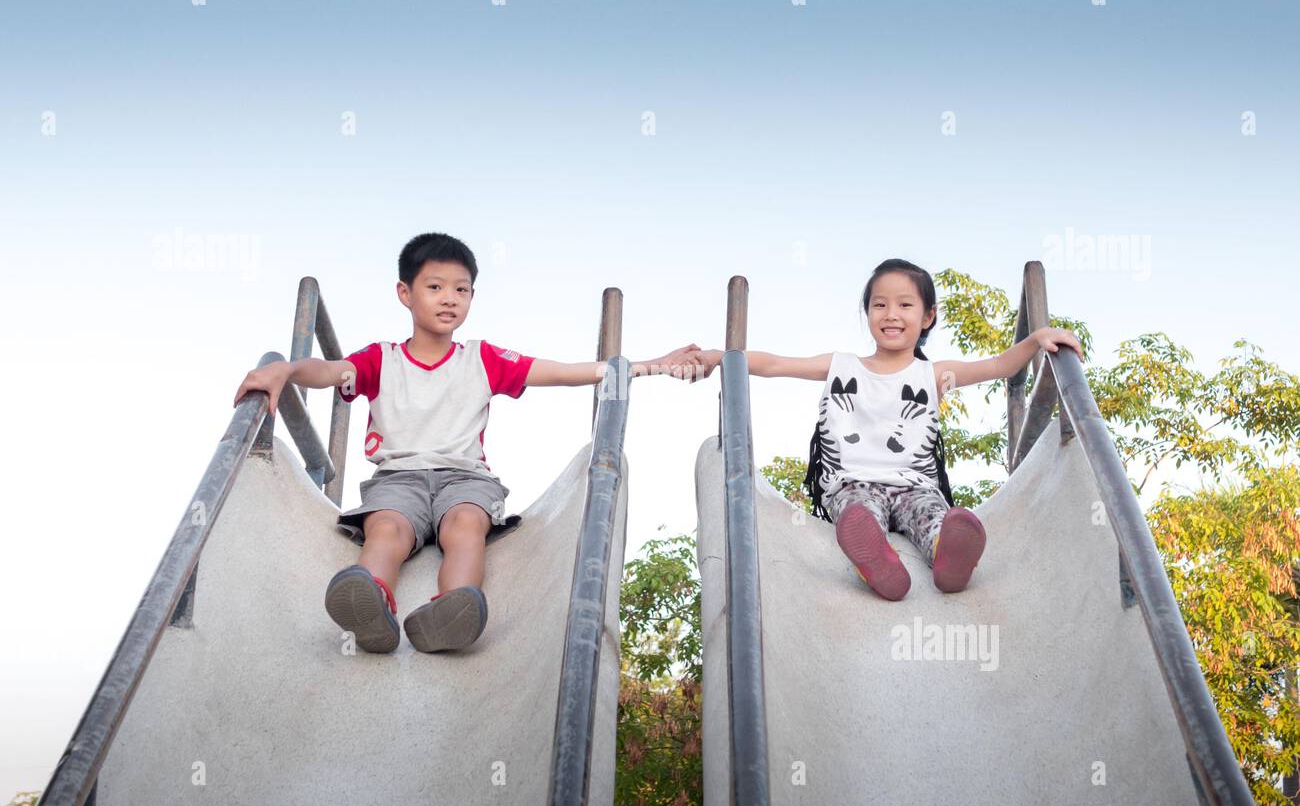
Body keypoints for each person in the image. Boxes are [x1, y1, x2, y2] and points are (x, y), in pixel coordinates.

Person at [233, 232, 707, 654]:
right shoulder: (382, 358)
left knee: (465, 526)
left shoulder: (482, 358)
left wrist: (651, 364)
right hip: (398, 479)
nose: (449, 299)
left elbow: (564, 372)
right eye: (434, 287)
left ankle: (452, 609)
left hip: (466, 478)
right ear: (405, 293)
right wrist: (288, 370)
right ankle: (370, 600)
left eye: (461, 290)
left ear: (472, 297)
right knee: (389, 528)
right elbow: (330, 372)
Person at [695, 258, 1082, 600]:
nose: (891, 314)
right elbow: (776, 363)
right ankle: (875, 559)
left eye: (904, 305)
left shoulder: (931, 374)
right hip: (852, 483)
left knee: (933, 516)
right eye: (879, 305)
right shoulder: (841, 366)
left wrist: (1035, 339)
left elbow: (998, 365)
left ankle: (949, 555)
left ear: (928, 316)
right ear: (867, 313)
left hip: (915, 485)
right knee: (859, 515)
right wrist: (717, 357)